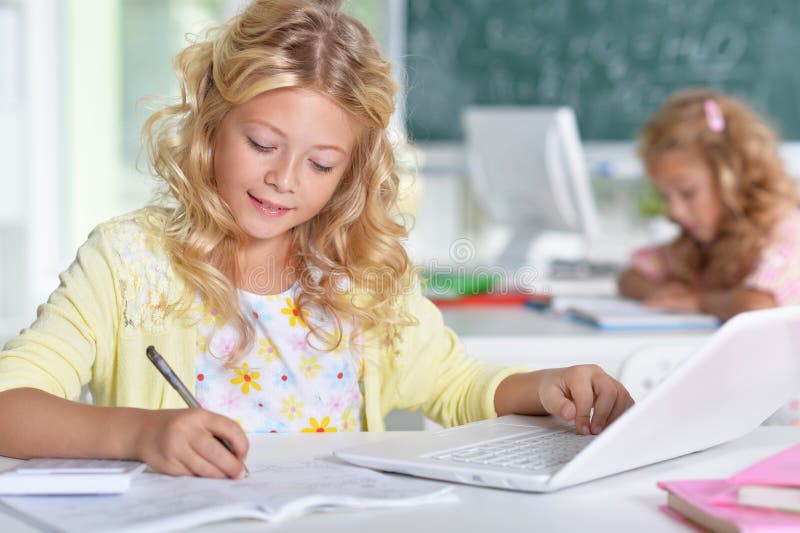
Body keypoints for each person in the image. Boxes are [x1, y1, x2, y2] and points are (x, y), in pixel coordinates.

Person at [0, 0, 633, 480]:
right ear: (213, 125)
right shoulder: (128, 261)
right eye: (262, 145)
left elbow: (454, 384)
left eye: (321, 164)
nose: (283, 179)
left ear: (351, 169)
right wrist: (139, 435)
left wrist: (549, 385)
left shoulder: (358, 272)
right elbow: (9, 407)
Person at [619, 88, 800, 322]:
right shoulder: (703, 241)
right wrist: (660, 293)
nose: (674, 211)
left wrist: (698, 300)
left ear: (733, 178)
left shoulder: (786, 230)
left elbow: (759, 305)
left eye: (687, 193)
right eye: (666, 197)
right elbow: (629, 277)